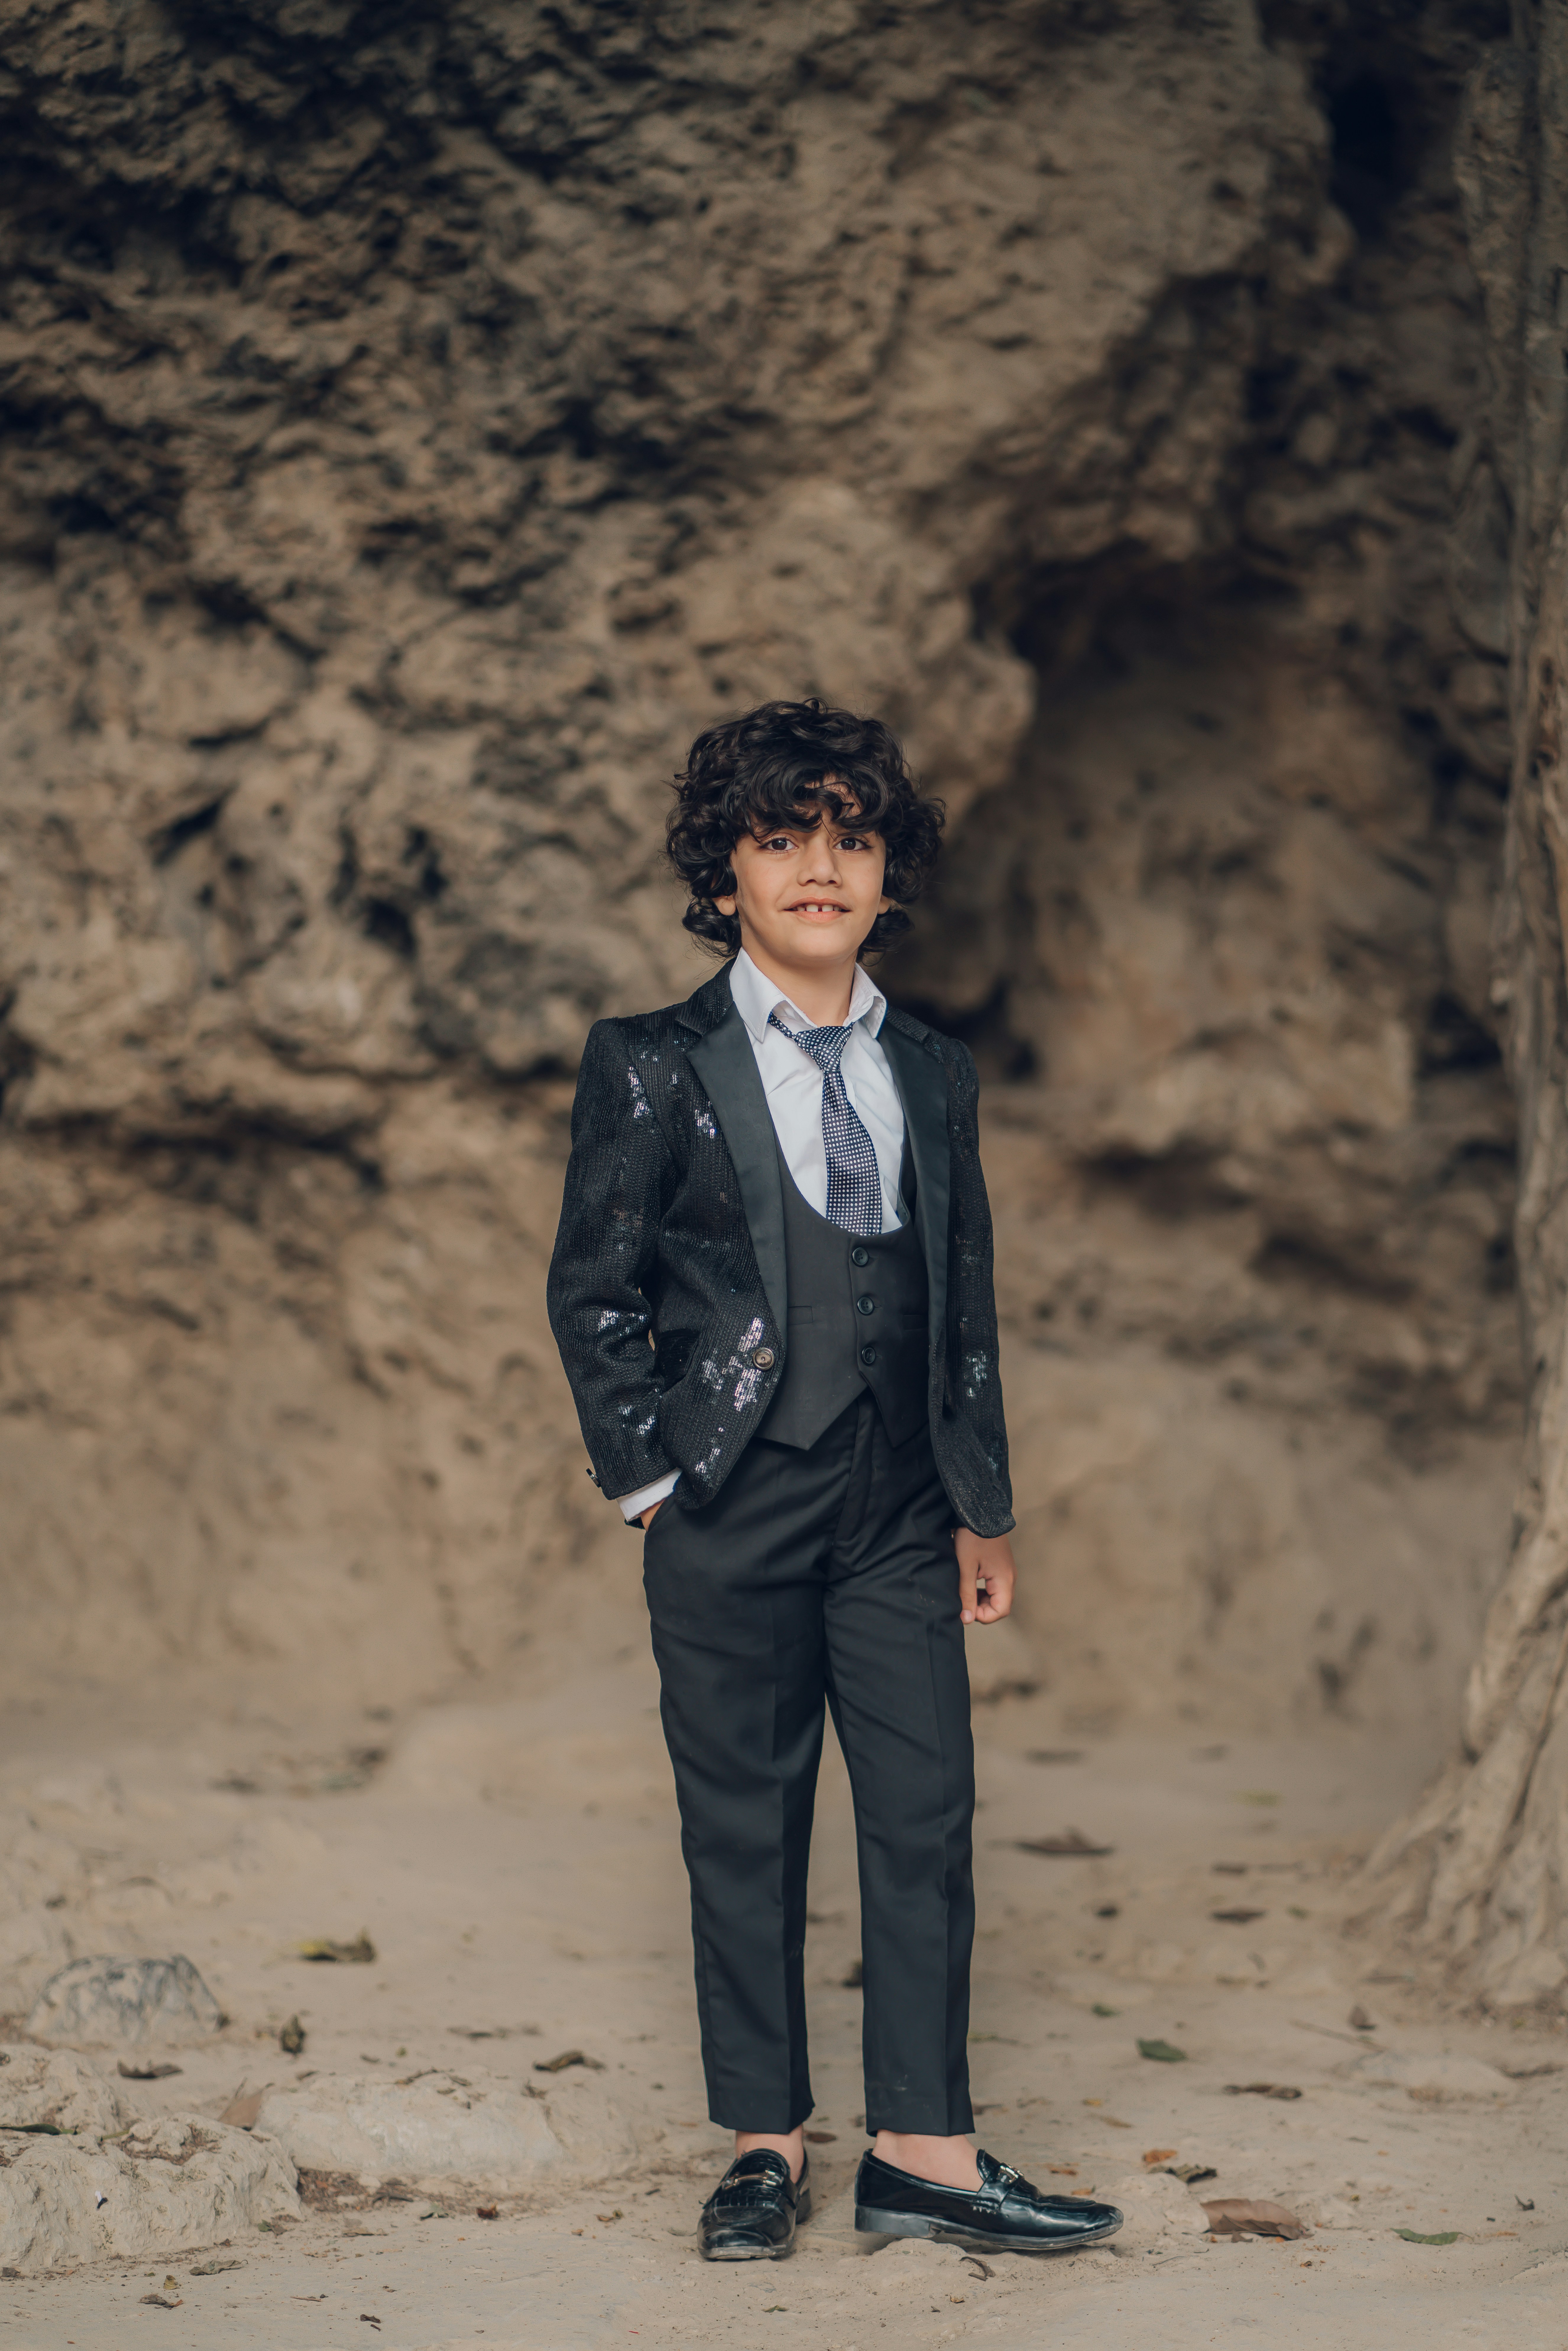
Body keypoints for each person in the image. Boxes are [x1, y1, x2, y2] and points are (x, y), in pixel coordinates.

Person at [547, 700, 1122, 2261]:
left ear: (887, 875)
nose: (819, 865)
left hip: (897, 1504)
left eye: (851, 839)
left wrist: (980, 1500)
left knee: (926, 1808)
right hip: (727, 1495)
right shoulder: (653, 1064)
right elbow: (591, 1292)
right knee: (743, 1818)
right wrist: (652, 1484)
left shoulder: (931, 1071)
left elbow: (964, 1293)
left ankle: (925, 2153)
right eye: (782, 836)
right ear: (725, 872)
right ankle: (760, 2145)